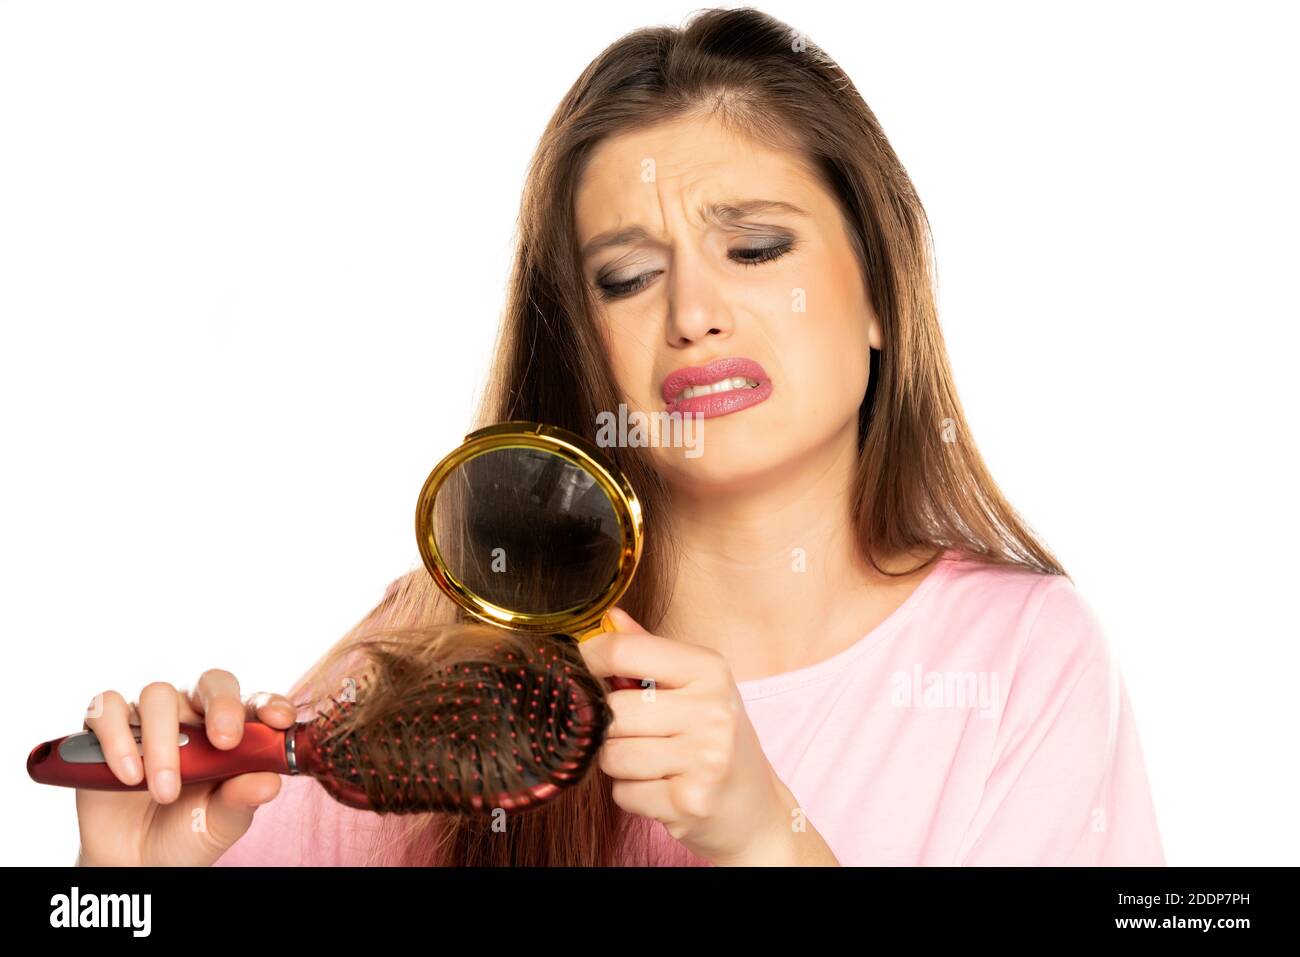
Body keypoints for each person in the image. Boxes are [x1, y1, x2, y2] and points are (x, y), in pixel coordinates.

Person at [74, 7, 1165, 867]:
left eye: (755, 249)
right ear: (581, 341)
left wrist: (760, 837)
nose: (692, 311)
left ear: (880, 291)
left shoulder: (1023, 661)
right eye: (627, 276)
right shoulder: (443, 643)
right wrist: (124, 891)